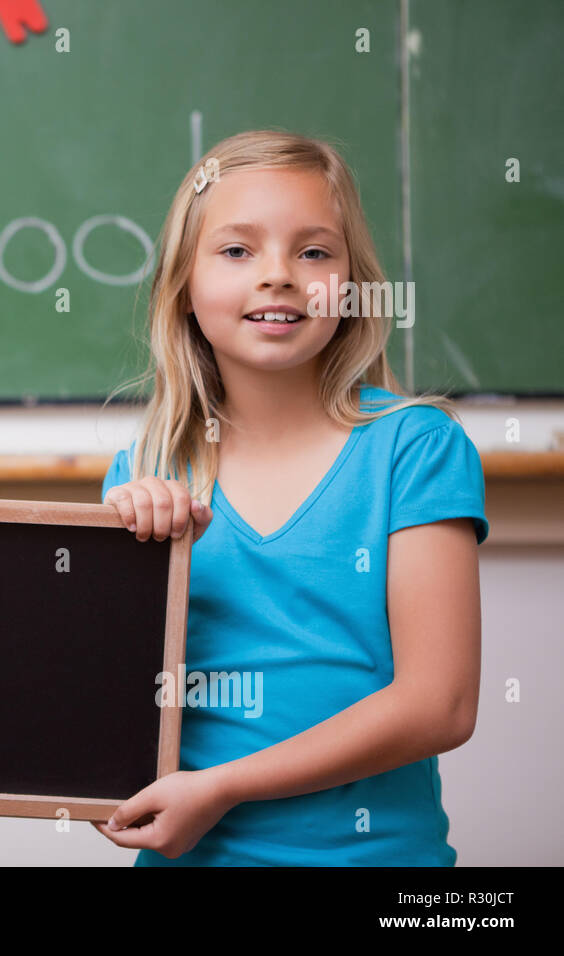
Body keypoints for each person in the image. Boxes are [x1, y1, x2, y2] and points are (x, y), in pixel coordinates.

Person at [94, 130, 488, 865]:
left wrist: (221, 789)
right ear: (182, 285)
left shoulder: (415, 448)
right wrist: (118, 562)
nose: (278, 276)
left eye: (313, 252)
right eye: (237, 251)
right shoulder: (140, 474)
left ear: (353, 282)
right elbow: (104, 725)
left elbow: (441, 704)